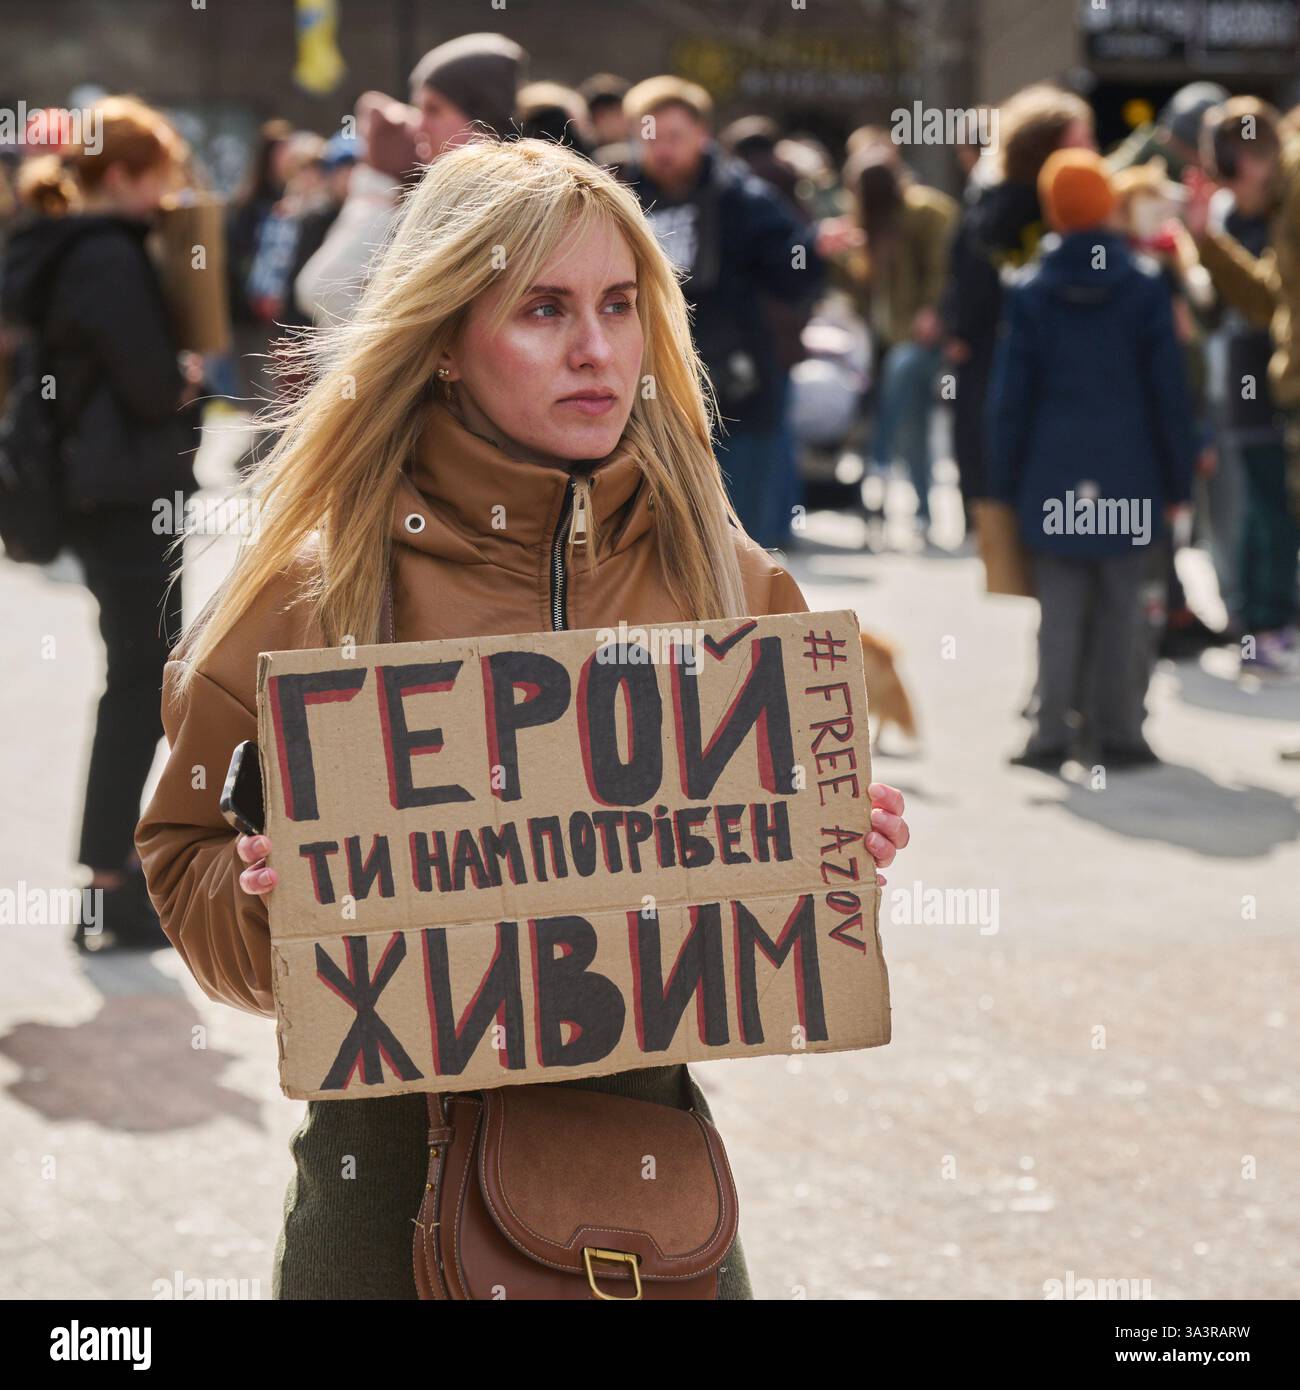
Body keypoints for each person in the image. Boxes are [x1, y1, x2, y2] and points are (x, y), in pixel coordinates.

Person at [133, 138, 910, 1300]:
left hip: (650, 1188)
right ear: (444, 341)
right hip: (385, 1191)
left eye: (616, 305)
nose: (595, 349)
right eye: (543, 309)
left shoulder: (726, 575)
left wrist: (832, 855)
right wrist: (281, 908)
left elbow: (771, 889)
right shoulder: (310, 586)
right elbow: (179, 854)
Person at [2, 96, 202, 949]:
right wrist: (188, 372)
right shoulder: (110, 256)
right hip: (126, 493)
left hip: (88, 488)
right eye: (159, 177)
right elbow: (151, 386)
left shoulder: (53, 243)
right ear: (120, 175)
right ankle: (113, 885)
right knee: (144, 686)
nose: (168, 195)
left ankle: (107, 876)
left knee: (133, 681)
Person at [987, 150, 1196, 769]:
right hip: (1130, 472)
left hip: (1053, 476)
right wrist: (1177, 477)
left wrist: (1000, 485)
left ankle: (1051, 734)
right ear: (1108, 206)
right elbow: (1170, 396)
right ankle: (1120, 733)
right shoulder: (1144, 287)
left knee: (1059, 611)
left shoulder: (1029, 291)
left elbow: (1009, 403)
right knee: (1124, 608)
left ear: (1051, 209)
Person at [619, 77, 824, 551]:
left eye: (674, 137)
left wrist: (816, 251)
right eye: (649, 138)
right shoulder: (620, 194)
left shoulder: (742, 199)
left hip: (737, 386)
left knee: (743, 541)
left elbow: (795, 275)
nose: (661, 150)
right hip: (647, 389)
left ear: (702, 137)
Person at [295, 31, 527, 324]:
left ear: (481, 119)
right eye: (417, 109)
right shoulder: (438, 197)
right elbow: (322, 289)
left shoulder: (513, 204)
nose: (419, 125)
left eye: (434, 109)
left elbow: (323, 289)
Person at [941, 83, 1094, 527]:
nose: (1092, 151)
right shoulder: (1011, 205)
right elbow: (971, 273)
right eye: (1082, 141)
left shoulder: (1005, 198)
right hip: (1006, 351)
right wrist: (962, 330)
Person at [1186, 98, 1300, 673]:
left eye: (1226, 174)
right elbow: (1265, 303)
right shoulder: (1280, 201)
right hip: (1280, 389)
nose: (1227, 189)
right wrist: (1205, 240)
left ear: (1252, 158)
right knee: (1271, 508)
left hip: (1281, 387)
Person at [820, 146, 957, 539]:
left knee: (904, 409)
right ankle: (902, 504)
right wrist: (842, 254)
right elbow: (856, 286)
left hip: (917, 338)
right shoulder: (862, 223)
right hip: (875, 339)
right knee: (903, 418)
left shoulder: (925, 214)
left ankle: (886, 474)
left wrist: (931, 310)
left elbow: (940, 268)